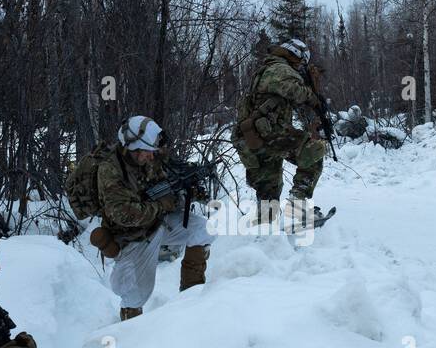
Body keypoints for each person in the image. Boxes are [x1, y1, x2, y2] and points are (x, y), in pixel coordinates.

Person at [91, 115, 212, 320]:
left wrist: (184, 187)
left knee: (204, 229)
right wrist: (160, 205)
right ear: (134, 148)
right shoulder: (110, 170)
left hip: (158, 224)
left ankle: (192, 299)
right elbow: (122, 214)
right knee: (135, 293)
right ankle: (131, 333)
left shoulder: (149, 158)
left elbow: (166, 180)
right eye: (147, 151)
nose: (151, 156)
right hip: (133, 236)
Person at [231, 37, 328, 226]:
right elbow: (291, 89)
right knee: (314, 150)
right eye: (301, 62)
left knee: (269, 189)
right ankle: (297, 206)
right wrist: (312, 97)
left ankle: (263, 231)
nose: (301, 67)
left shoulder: (267, 68)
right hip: (270, 135)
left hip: (255, 138)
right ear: (295, 54)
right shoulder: (280, 68)